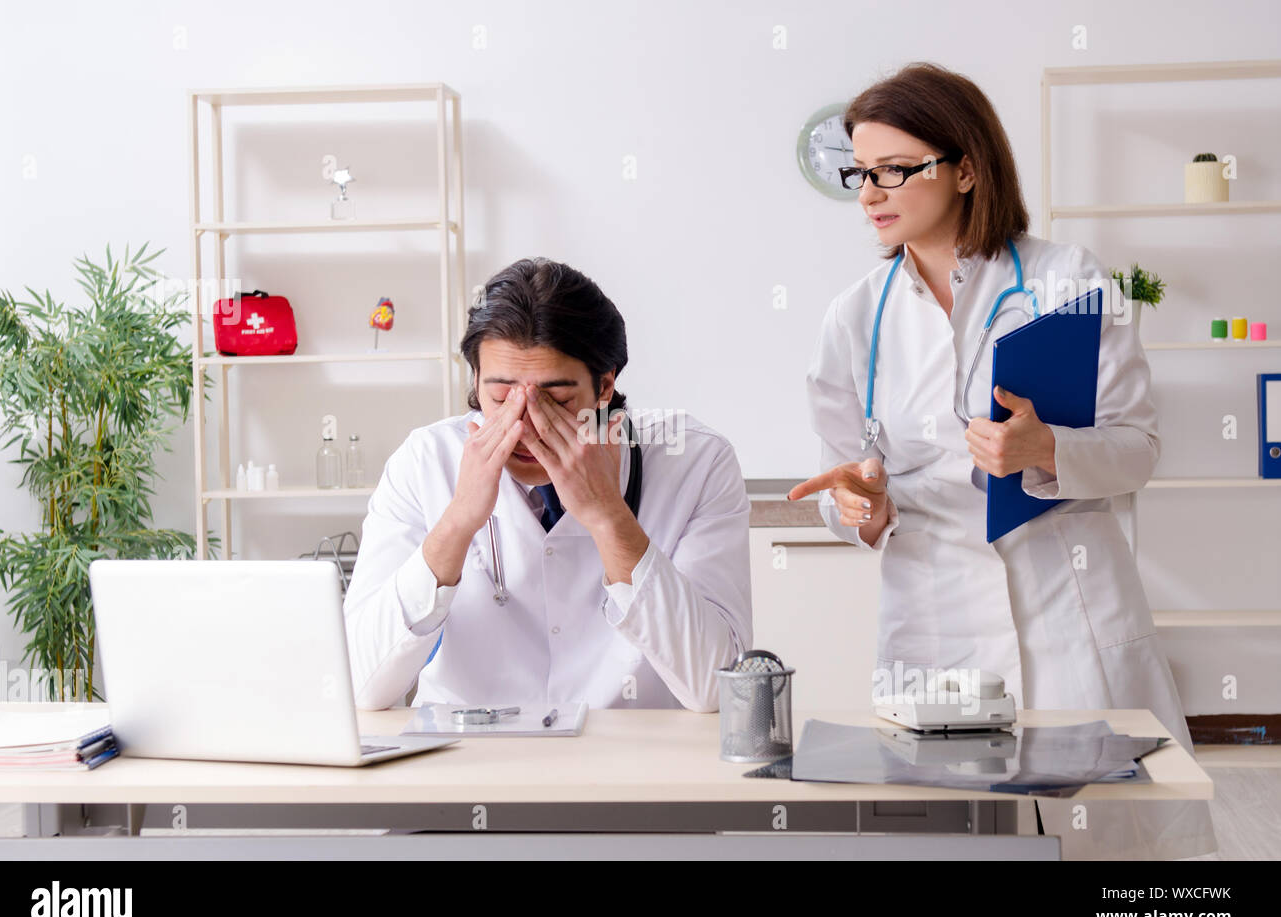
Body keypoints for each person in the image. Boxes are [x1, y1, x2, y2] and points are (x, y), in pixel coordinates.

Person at [788, 62, 1217, 860]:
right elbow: (841, 481)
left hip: (1067, 605)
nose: (870, 194)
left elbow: (1138, 448)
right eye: (860, 173)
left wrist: (1046, 447)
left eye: (893, 170)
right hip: (934, 620)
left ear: (966, 169)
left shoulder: (1065, 280)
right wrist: (861, 508)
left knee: (1110, 845)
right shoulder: (852, 319)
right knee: (954, 841)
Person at [343, 257, 752, 713]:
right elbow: (361, 687)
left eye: (556, 400)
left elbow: (720, 689)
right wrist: (457, 523)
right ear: (476, 382)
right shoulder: (424, 461)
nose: (526, 426)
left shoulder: (695, 460)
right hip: (470, 767)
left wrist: (610, 517)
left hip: (635, 768)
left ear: (604, 386)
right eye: (500, 398)